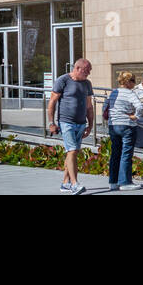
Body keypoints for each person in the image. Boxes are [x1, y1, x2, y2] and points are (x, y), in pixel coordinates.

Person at [46, 57, 94, 194]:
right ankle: (74, 184)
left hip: (81, 123)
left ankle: (65, 183)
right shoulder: (63, 80)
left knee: (72, 153)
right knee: (72, 151)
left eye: (89, 71)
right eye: (87, 70)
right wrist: (51, 123)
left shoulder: (87, 84)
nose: (88, 73)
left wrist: (90, 125)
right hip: (66, 122)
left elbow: (89, 107)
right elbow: (52, 103)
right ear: (77, 68)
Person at [104, 70, 142, 191]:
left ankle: (113, 182)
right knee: (126, 154)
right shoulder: (130, 93)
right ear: (128, 82)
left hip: (113, 125)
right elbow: (140, 106)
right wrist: (136, 117)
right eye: (133, 81)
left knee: (115, 153)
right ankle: (125, 182)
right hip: (127, 125)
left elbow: (105, 107)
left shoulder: (113, 93)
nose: (134, 84)